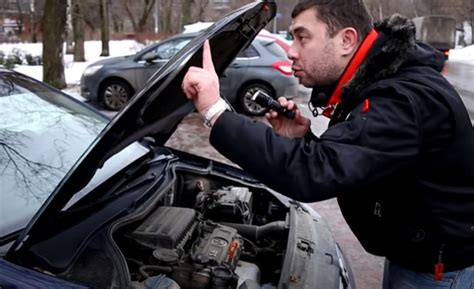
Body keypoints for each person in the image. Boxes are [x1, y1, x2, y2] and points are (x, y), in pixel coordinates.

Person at [182, 0, 474, 288]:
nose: (291, 52)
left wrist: (216, 113)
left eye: (302, 37)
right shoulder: (383, 82)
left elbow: (317, 171)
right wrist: (302, 139)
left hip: (437, 271)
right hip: (415, 253)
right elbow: (358, 160)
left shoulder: (399, 99)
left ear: (347, 40)